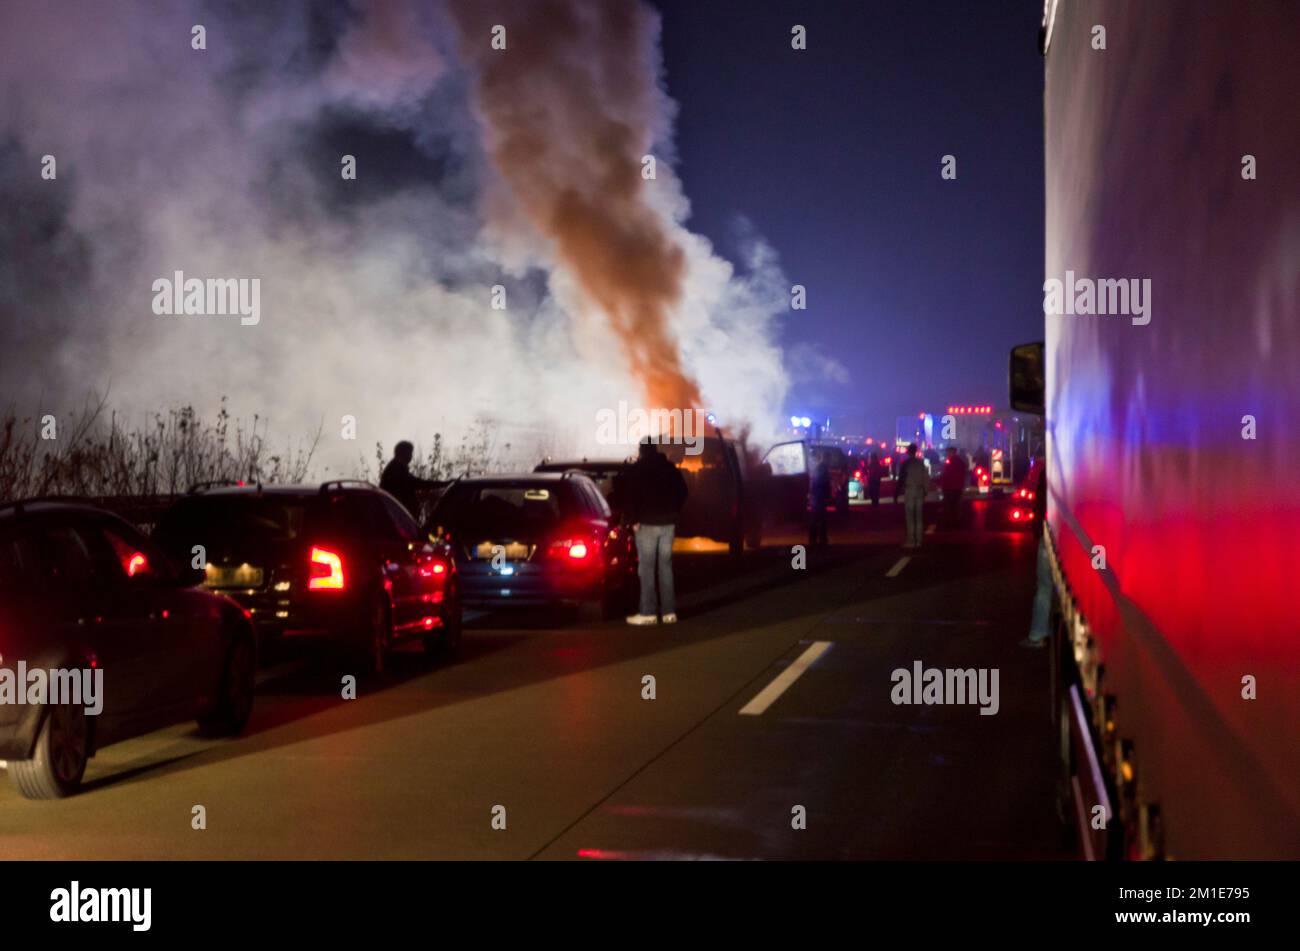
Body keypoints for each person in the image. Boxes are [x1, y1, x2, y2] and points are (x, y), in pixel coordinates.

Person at [624, 440, 688, 626]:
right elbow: (683, 492)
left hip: (647, 524)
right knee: (665, 568)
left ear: (641, 451)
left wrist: (632, 520)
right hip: (668, 524)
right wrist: (674, 511)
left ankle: (648, 612)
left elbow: (630, 496)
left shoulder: (637, 470)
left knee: (646, 569)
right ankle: (669, 613)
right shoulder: (670, 469)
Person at [1021, 462, 1052, 648]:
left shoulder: (1048, 473)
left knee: (1044, 587)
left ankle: (1038, 634)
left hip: (1050, 535)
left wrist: (1038, 530)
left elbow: (1040, 503)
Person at [379, 440, 439, 519]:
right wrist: (443, 484)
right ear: (403, 453)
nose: (411, 456)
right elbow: (417, 483)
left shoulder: (396, 468)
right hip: (398, 518)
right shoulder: (396, 469)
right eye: (410, 453)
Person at [897, 442, 929, 549]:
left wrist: (897, 493)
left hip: (910, 489)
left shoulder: (906, 464)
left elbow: (901, 478)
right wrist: (925, 491)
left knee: (910, 517)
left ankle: (911, 540)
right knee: (919, 517)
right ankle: (919, 540)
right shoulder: (921, 463)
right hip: (920, 490)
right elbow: (926, 477)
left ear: (908, 452)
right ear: (916, 451)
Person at [939, 446, 969, 526]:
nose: (947, 454)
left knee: (950, 505)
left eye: (948, 452)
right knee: (955, 504)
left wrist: (940, 482)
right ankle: (956, 520)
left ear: (952, 452)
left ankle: (951, 521)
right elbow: (963, 472)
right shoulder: (960, 461)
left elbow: (946, 474)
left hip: (949, 487)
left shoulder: (950, 461)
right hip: (958, 487)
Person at [808, 459, 831, 546]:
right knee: (822, 520)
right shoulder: (824, 473)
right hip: (820, 499)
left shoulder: (816, 472)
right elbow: (826, 487)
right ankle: (822, 539)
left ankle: (813, 539)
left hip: (816, 499)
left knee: (815, 520)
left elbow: (812, 487)